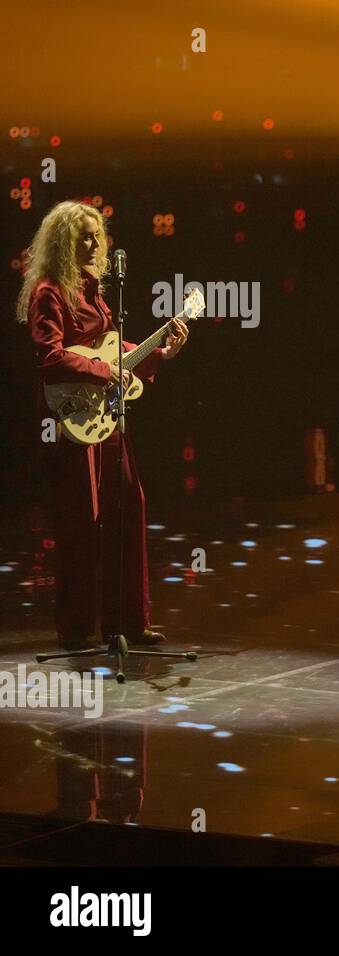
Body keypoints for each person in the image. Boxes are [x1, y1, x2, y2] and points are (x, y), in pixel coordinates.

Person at [16, 200, 189, 650]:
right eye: (83, 237)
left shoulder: (94, 290)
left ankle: (129, 623)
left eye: (97, 236)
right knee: (82, 521)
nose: (94, 245)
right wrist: (104, 371)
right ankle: (76, 629)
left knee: (128, 510)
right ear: (63, 244)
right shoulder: (49, 292)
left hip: (107, 418)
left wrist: (159, 352)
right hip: (71, 420)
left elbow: (110, 349)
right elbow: (50, 356)